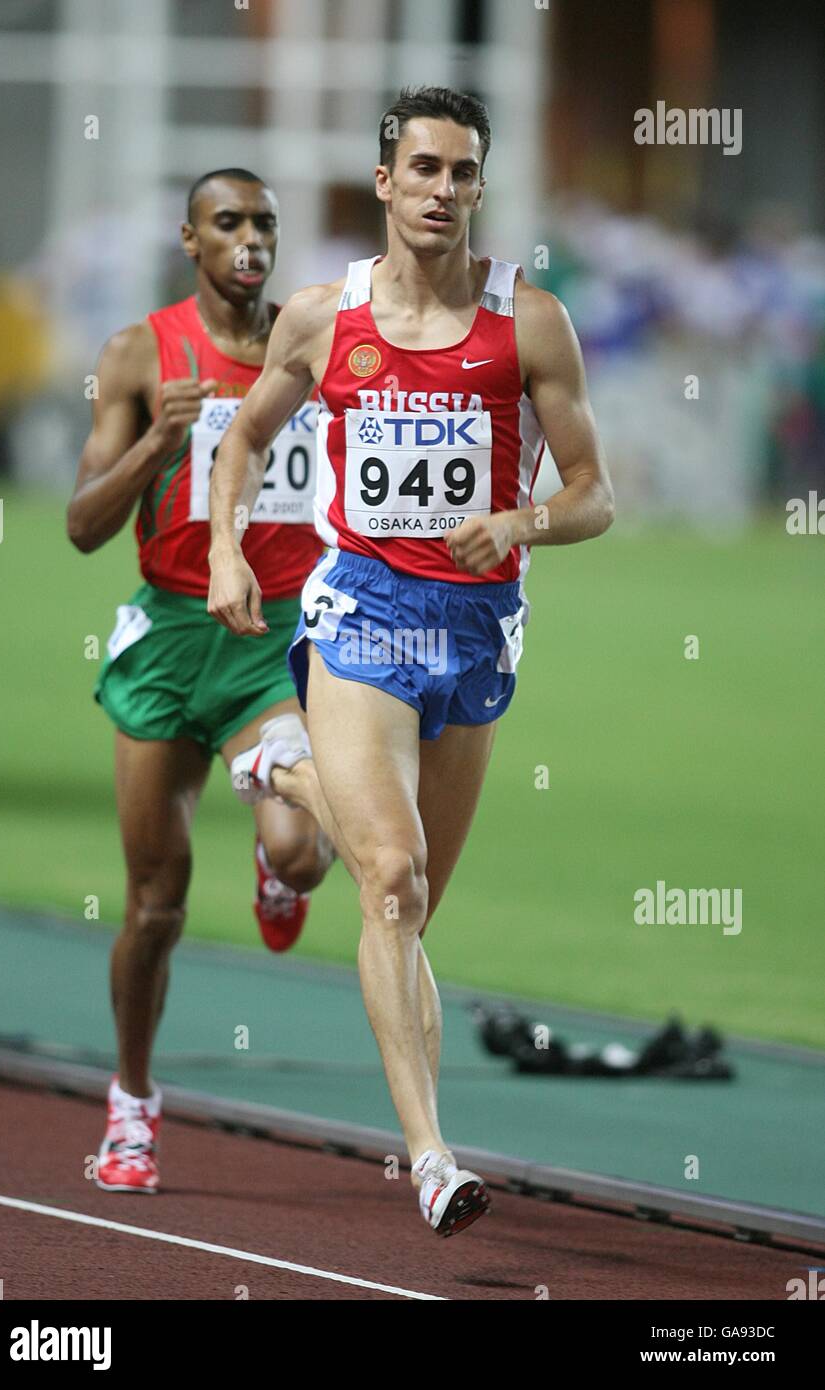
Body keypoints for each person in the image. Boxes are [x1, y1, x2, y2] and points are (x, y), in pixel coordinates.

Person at [207, 90, 614, 1236]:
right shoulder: (320, 317)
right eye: (422, 168)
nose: (442, 189)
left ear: (481, 188)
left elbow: (595, 493)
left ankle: (279, 774)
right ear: (384, 183)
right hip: (360, 611)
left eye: (463, 172)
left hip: (476, 630)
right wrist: (232, 551)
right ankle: (432, 1155)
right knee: (390, 874)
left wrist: (520, 524)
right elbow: (242, 437)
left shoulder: (529, 323)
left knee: (412, 906)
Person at [67, 169, 333, 1193]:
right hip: (171, 639)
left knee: (304, 854)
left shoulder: (310, 338)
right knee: (155, 904)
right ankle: (132, 1106)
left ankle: (275, 870)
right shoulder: (140, 352)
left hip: (272, 634)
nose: (252, 240)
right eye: (230, 223)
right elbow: (84, 527)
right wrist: (155, 442)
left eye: (265, 222)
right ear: (191, 238)